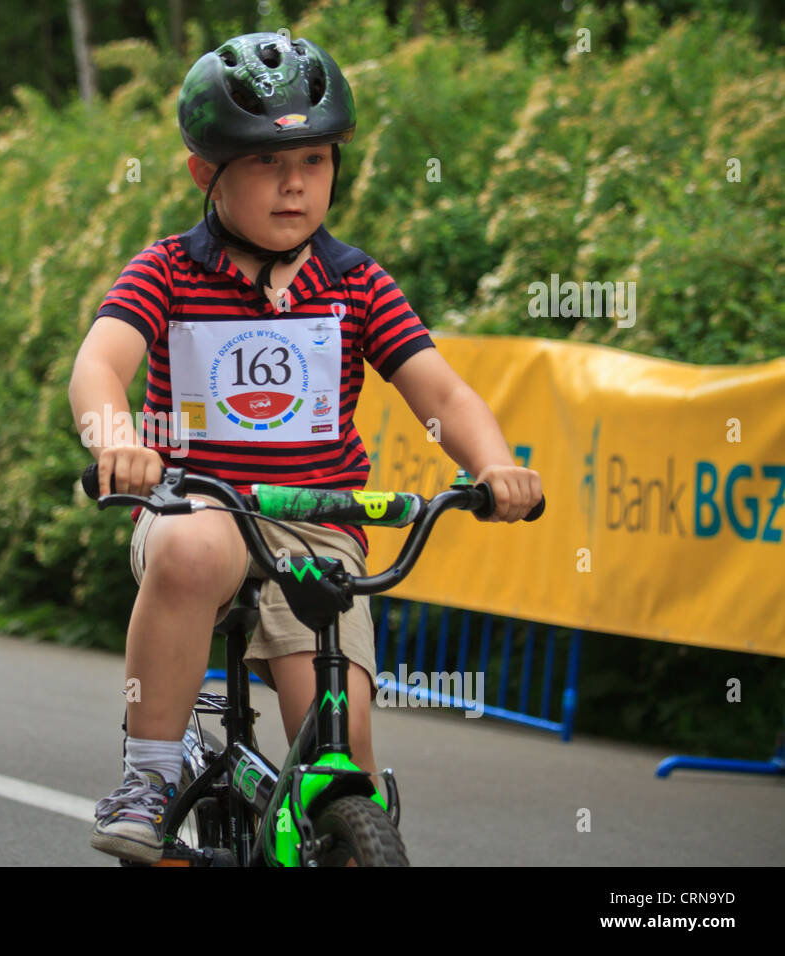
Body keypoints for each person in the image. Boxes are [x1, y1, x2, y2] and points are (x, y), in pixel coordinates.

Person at [68, 33, 542, 863]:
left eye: (316, 160)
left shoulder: (356, 281)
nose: (294, 184)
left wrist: (492, 464)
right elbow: (100, 364)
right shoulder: (168, 272)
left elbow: (441, 393)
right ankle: (148, 776)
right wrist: (117, 441)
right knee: (189, 547)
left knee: (341, 748)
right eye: (263, 163)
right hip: (203, 505)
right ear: (202, 173)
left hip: (320, 526)